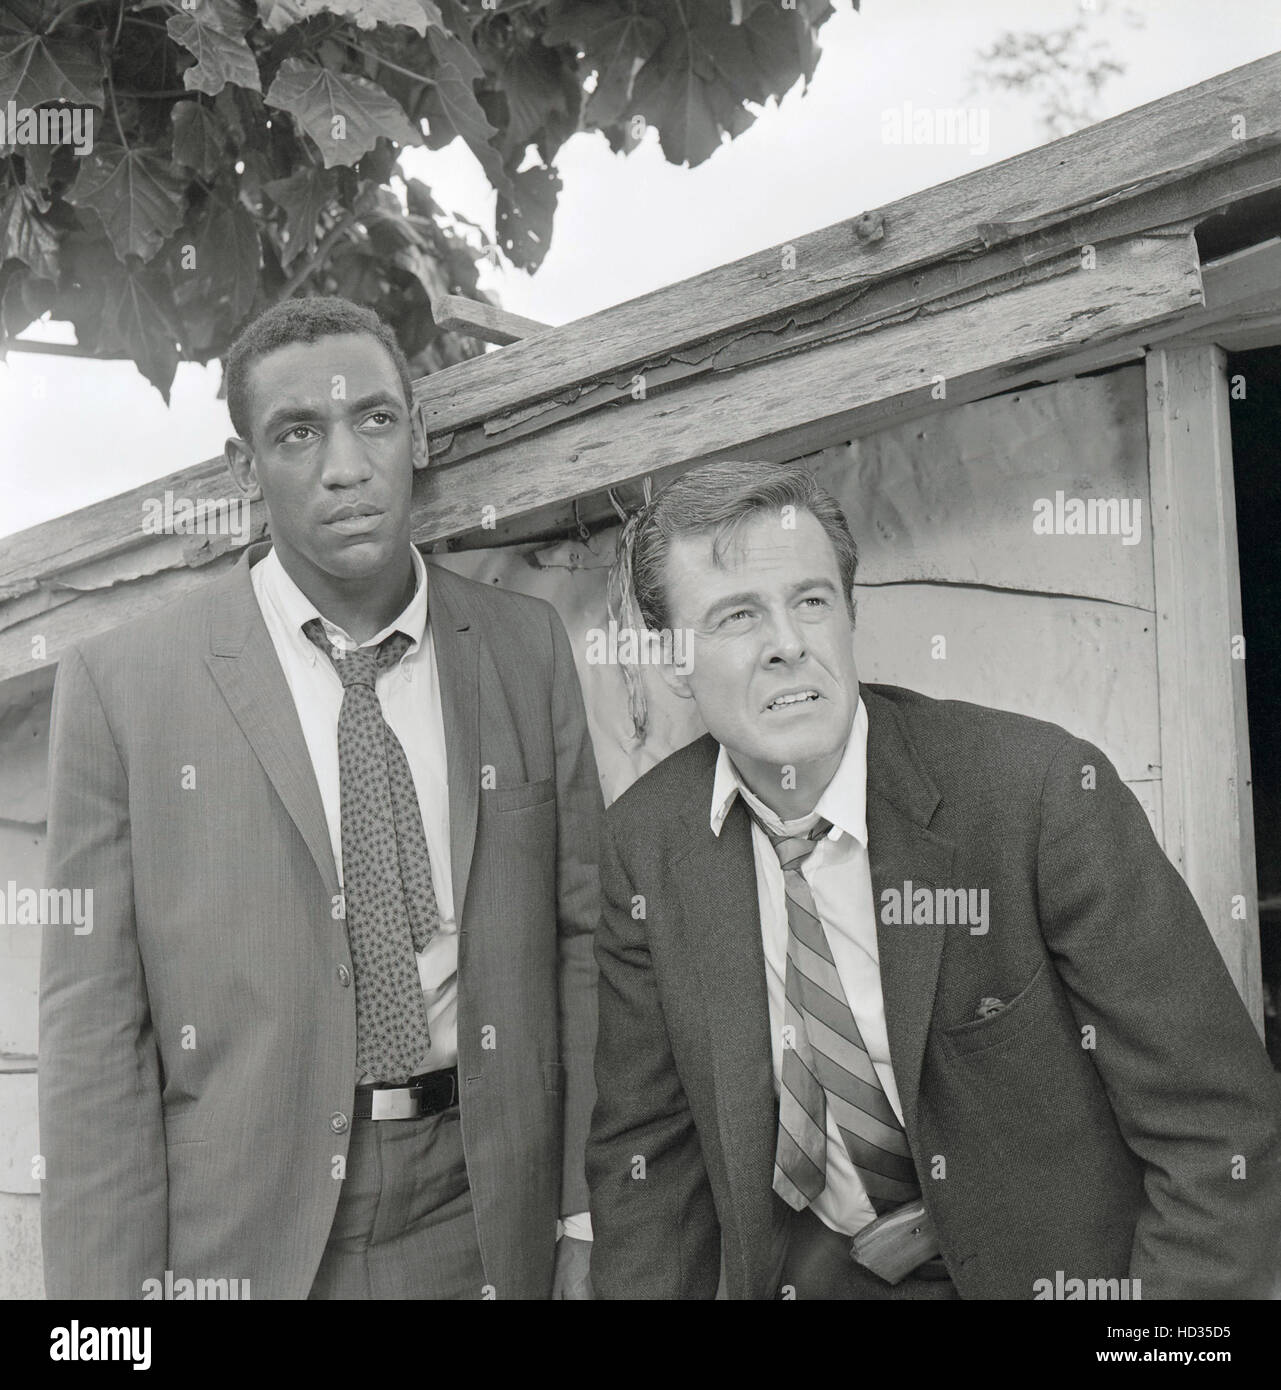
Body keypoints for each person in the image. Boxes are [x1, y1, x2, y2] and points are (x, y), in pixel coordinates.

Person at [586, 458, 1281, 1300]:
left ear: (849, 615)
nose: (787, 644)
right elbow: (648, 1158)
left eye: (811, 601)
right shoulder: (645, 845)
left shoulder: (1039, 795)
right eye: (738, 616)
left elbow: (1215, 1131)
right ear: (668, 660)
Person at [40, 297, 601, 1300]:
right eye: (298, 434)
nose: (345, 467)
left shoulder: (523, 650)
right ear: (243, 470)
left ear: (419, 433)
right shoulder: (124, 689)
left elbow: (583, 945)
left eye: (376, 420)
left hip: (488, 1212)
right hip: (248, 1242)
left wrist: (582, 1211)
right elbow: (93, 1042)